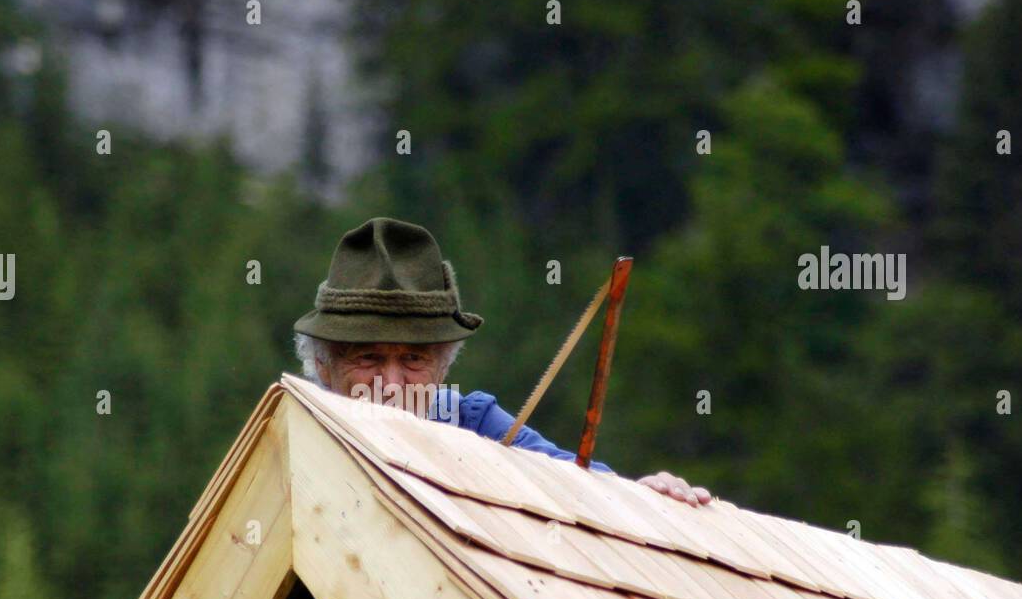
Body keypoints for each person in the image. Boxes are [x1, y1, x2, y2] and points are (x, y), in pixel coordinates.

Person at [293, 217, 711, 506]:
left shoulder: (473, 423)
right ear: (324, 365)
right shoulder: (292, 439)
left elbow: (576, 480)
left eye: (413, 359)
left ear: (443, 367)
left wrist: (642, 494)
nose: (391, 382)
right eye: (368, 357)